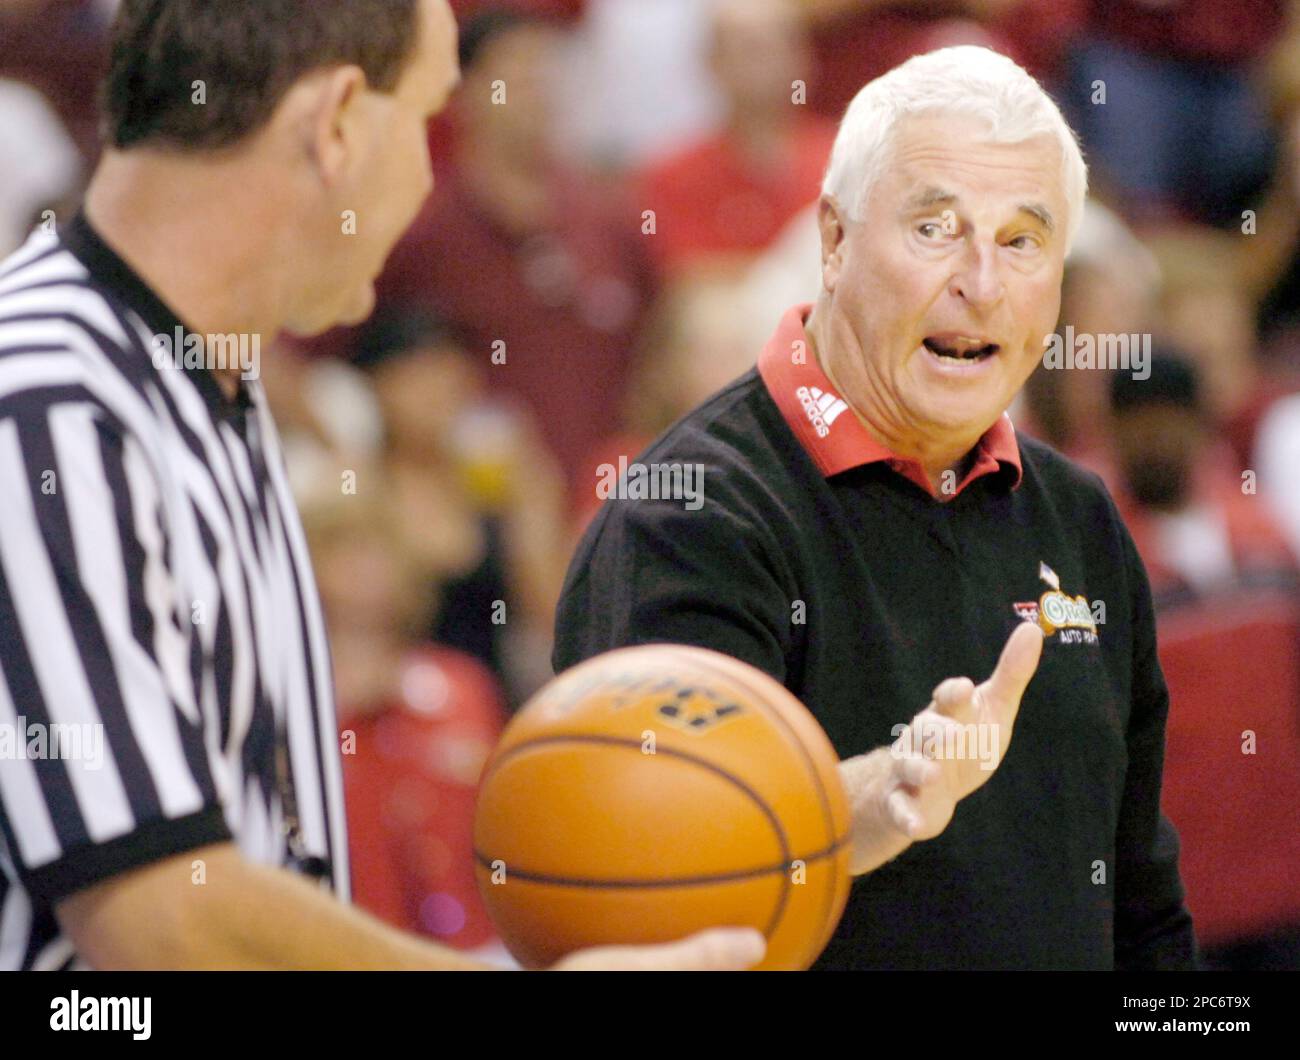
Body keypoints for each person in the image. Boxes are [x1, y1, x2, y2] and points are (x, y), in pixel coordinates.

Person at [0, 0, 761, 972]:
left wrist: (769, 825)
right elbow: (159, 917)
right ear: (339, 125)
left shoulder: (193, 375)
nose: (428, 177)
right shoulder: (49, 405)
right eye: (428, 120)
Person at [554, 45, 1199, 970]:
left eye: (1023, 241)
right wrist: (887, 792)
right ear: (834, 240)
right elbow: (664, 893)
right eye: (936, 228)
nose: (982, 283)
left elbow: (1144, 915)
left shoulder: (1084, 519)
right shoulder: (688, 517)